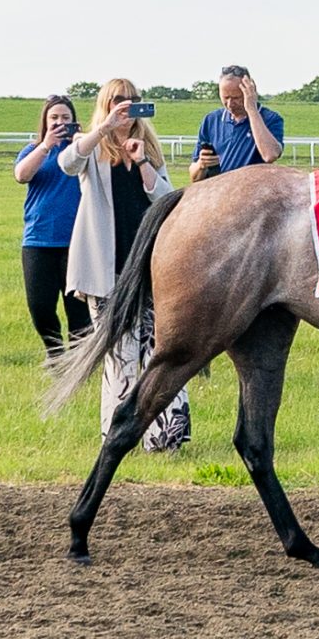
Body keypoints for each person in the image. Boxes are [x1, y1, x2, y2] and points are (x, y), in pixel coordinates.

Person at [60, 79, 190, 450]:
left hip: (149, 265)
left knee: (160, 350)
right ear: (106, 105)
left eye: (132, 101)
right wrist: (103, 128)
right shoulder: (90, 146)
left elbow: (168, 199)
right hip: (104, 267)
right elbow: (68, 164)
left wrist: (142, 160)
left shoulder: (148, 147)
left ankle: (166, 436)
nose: (126, 108)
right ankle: (117, 437)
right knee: (120, 354)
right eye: (118, 101)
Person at [14, 94, 91, 358]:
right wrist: (46, 146)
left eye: (65, 118)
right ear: (45, 123)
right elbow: (21, 175)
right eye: (54, 118)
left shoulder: (82, 152)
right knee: (40, 306)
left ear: (75, 121)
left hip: (77, 240)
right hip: (38, 239)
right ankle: (54, 352)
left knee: (79, 308)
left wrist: (81, 141)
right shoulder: (33, 151)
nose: (60, 123)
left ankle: (76, 361)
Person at [188, 64, 284, 182]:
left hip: (252, 192)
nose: (230, 104)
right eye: (225, 97)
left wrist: (252, 110)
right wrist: (201, 165)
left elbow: (270, 155)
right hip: (218, 192)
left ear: (249, 91)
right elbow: (193, 176)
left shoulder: (270, 119)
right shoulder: (211, 120)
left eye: (236, 98)